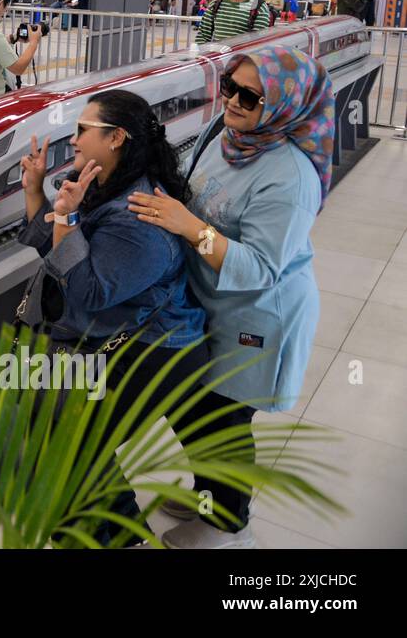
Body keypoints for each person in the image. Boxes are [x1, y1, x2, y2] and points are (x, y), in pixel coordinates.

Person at [130, 46, 334, 548]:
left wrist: (191, 227)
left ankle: (228, 525)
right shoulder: (228, 134)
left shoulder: (289, 177)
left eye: (252, 96)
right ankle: (210, 494)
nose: (235, 102)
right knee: (196, 410)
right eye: (230, 87)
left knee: (223, 419)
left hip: (256, 317)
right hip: (211, 305)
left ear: (286, 106)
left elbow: (261, 267)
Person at [19, 89, 207, 546]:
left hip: (152, 351)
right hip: (118, 335)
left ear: (117, 137)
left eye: (84, 129)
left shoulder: (140, 214)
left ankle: (109, 535)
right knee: (58, 427)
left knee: (64, 432)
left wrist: (65, 217)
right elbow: (54, 248)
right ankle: (113, 527)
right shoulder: (105, 183)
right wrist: (36, 191)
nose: (76, 138)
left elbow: (88, 289)